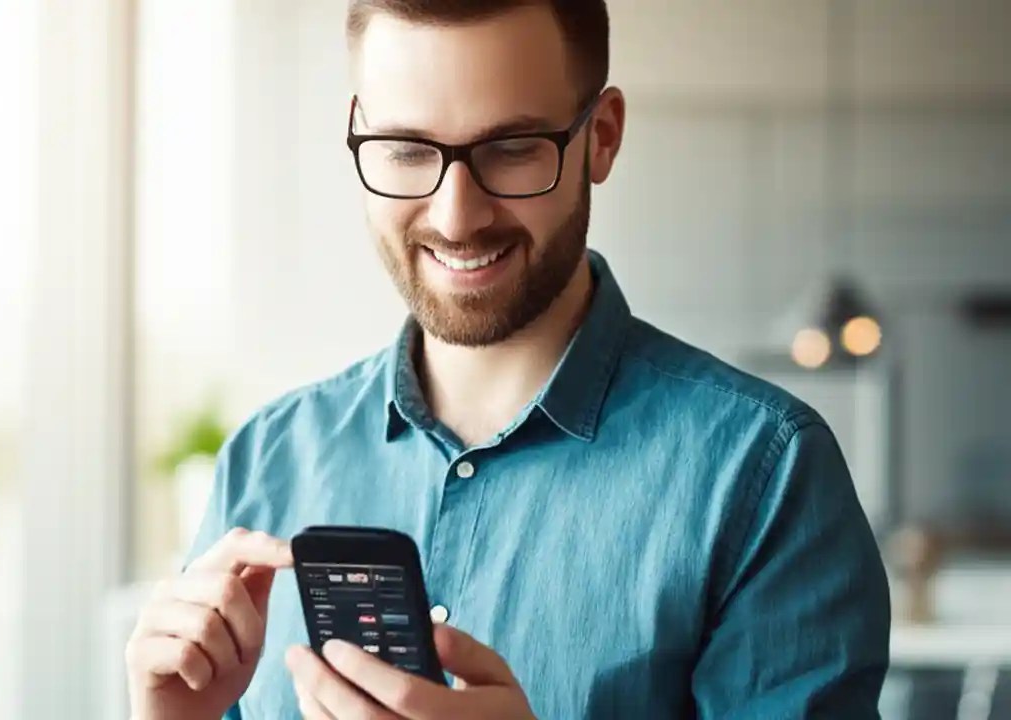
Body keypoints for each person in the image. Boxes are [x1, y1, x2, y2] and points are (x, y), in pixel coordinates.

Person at [125, 1, 891, 718]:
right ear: (356, 134)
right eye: (405, 148)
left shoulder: (764, 473)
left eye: (514, 148)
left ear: (603, 136)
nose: (457, 216)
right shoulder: (267, 458)